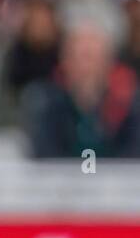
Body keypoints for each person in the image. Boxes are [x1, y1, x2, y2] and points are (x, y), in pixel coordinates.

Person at [24, 14, 140, 158]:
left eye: (92, 57)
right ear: (65, 61)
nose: (86, 67)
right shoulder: (46, 105)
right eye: (80, 57)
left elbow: (132, 158)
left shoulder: (129, 106)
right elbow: (44, 155)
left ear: (108, 62)